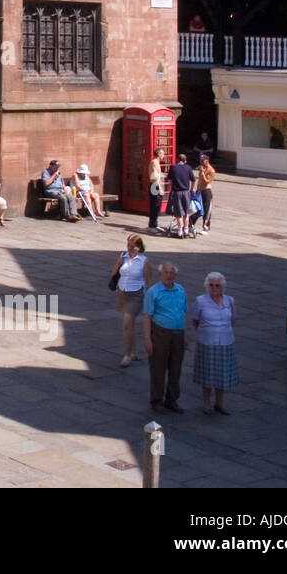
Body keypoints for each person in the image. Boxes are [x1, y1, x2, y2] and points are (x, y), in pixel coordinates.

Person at [143, 262, 188, 413]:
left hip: (178, 333)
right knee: (158, 368)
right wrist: (148, 339)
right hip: (160, 333)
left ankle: (172, 399)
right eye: (166, 273)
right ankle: (156, 400)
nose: (169, 276)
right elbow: (147, 316)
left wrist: (184, 334)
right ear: (160, 274)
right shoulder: (153, 292)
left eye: (171, 273)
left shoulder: (180, 290)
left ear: (175, 275)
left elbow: (183, 313)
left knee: (176, 368)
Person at [192, 272, 237, 415]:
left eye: (217, 285)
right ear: (207, 286)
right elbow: (195, 320)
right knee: (208, 374)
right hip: (207, 342)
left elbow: (233, 319)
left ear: (222, 286)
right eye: (211, 285)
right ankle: (206, 402)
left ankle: (219, 403)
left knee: (222, 374)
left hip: (225, 341)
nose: (214, 288)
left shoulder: (229, 300)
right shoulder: (200, 301)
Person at [112, 234, 151, 367]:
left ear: (138, 247)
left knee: (126, 324)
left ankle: (127, 355)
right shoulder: (124, 257)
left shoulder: (143, 261)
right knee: (130, 325)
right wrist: (118, 264)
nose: (129, 248)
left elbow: (149, 281)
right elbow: (113, 273)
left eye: (132, 246)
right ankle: (133, 352)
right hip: (122, 292)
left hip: (136, 294)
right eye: (127, 245)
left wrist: (149, 299)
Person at [167, 153, 195, 238]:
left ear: (177, 160)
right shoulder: (188, 167)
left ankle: (179, 231)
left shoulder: (173, 167)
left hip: (177, 192)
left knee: (178, 213)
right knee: (186, 213)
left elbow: (170, 180)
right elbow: (193, 180)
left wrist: (173, 187)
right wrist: (191, 189)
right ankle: (186, 230)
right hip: (186, 192)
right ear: (185, 161)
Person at [194, 154, 215, 235]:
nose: (201, 162)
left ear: (207, 161)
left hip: (206, 192)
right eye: (200, 160)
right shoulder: (202, 168)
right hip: (199, 191)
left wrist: (203, 174)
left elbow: (208, 181)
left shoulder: (211, 170)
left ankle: (206, 227)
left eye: (202, 161)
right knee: (196, 209)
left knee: (207, 210)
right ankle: (191, 225)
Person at [147, 148, 165, 233]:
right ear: (159, 154)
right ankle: (152, 225)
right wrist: (159, 188)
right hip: (154, 186)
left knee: (157, 206)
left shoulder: (157, 162)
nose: (163, 155)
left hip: (156, 185)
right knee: (155, 205)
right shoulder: (154, 162)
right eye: (162, 154)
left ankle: (155, 224)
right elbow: (154, 177)